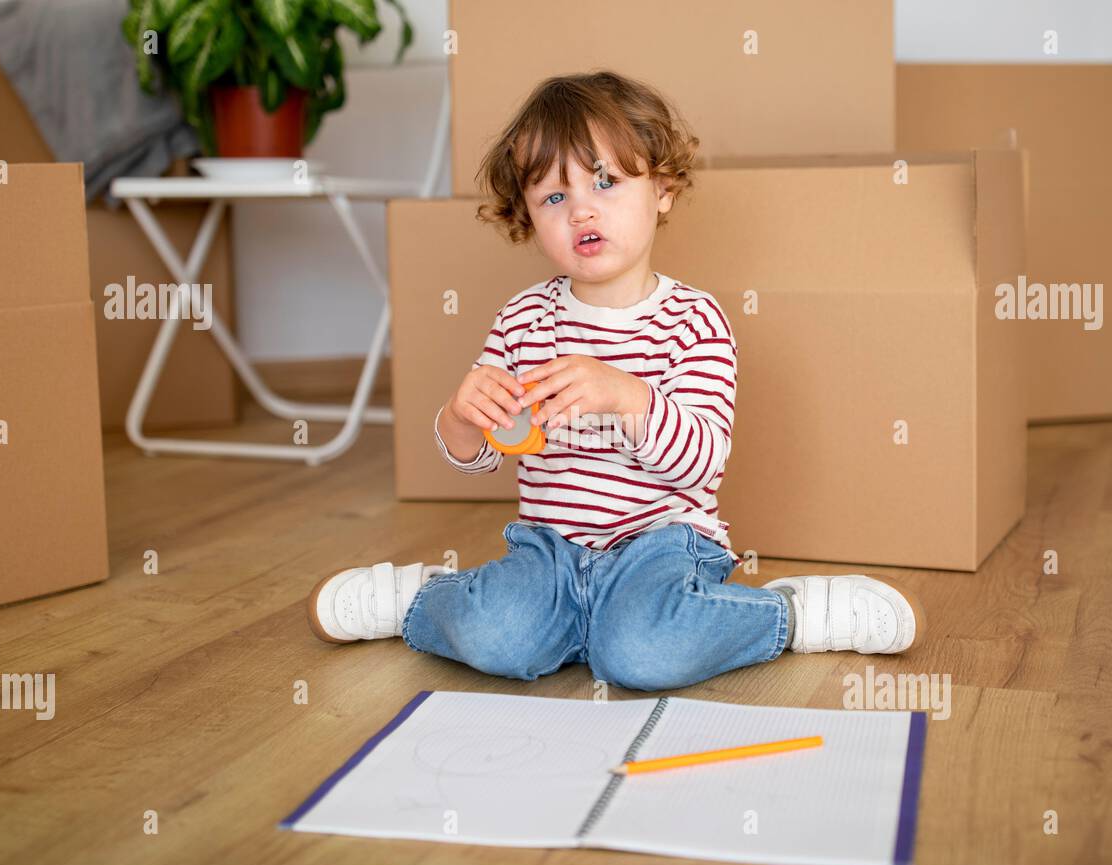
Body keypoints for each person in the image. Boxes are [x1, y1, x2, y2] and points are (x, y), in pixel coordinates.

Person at [307, 71, 924, 691]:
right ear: (526, 214)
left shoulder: (694, 321)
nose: (581, 209)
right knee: (497, 635)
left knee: (642, 656)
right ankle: (420, 599)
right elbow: (478, 461)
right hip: (549, 551)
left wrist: (627, 395)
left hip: (661, 547)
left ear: (662, 190)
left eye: (607, 182)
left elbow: (703, 463)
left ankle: (793, 615)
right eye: (553, 197)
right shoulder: (523, 320)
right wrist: (461, 416)